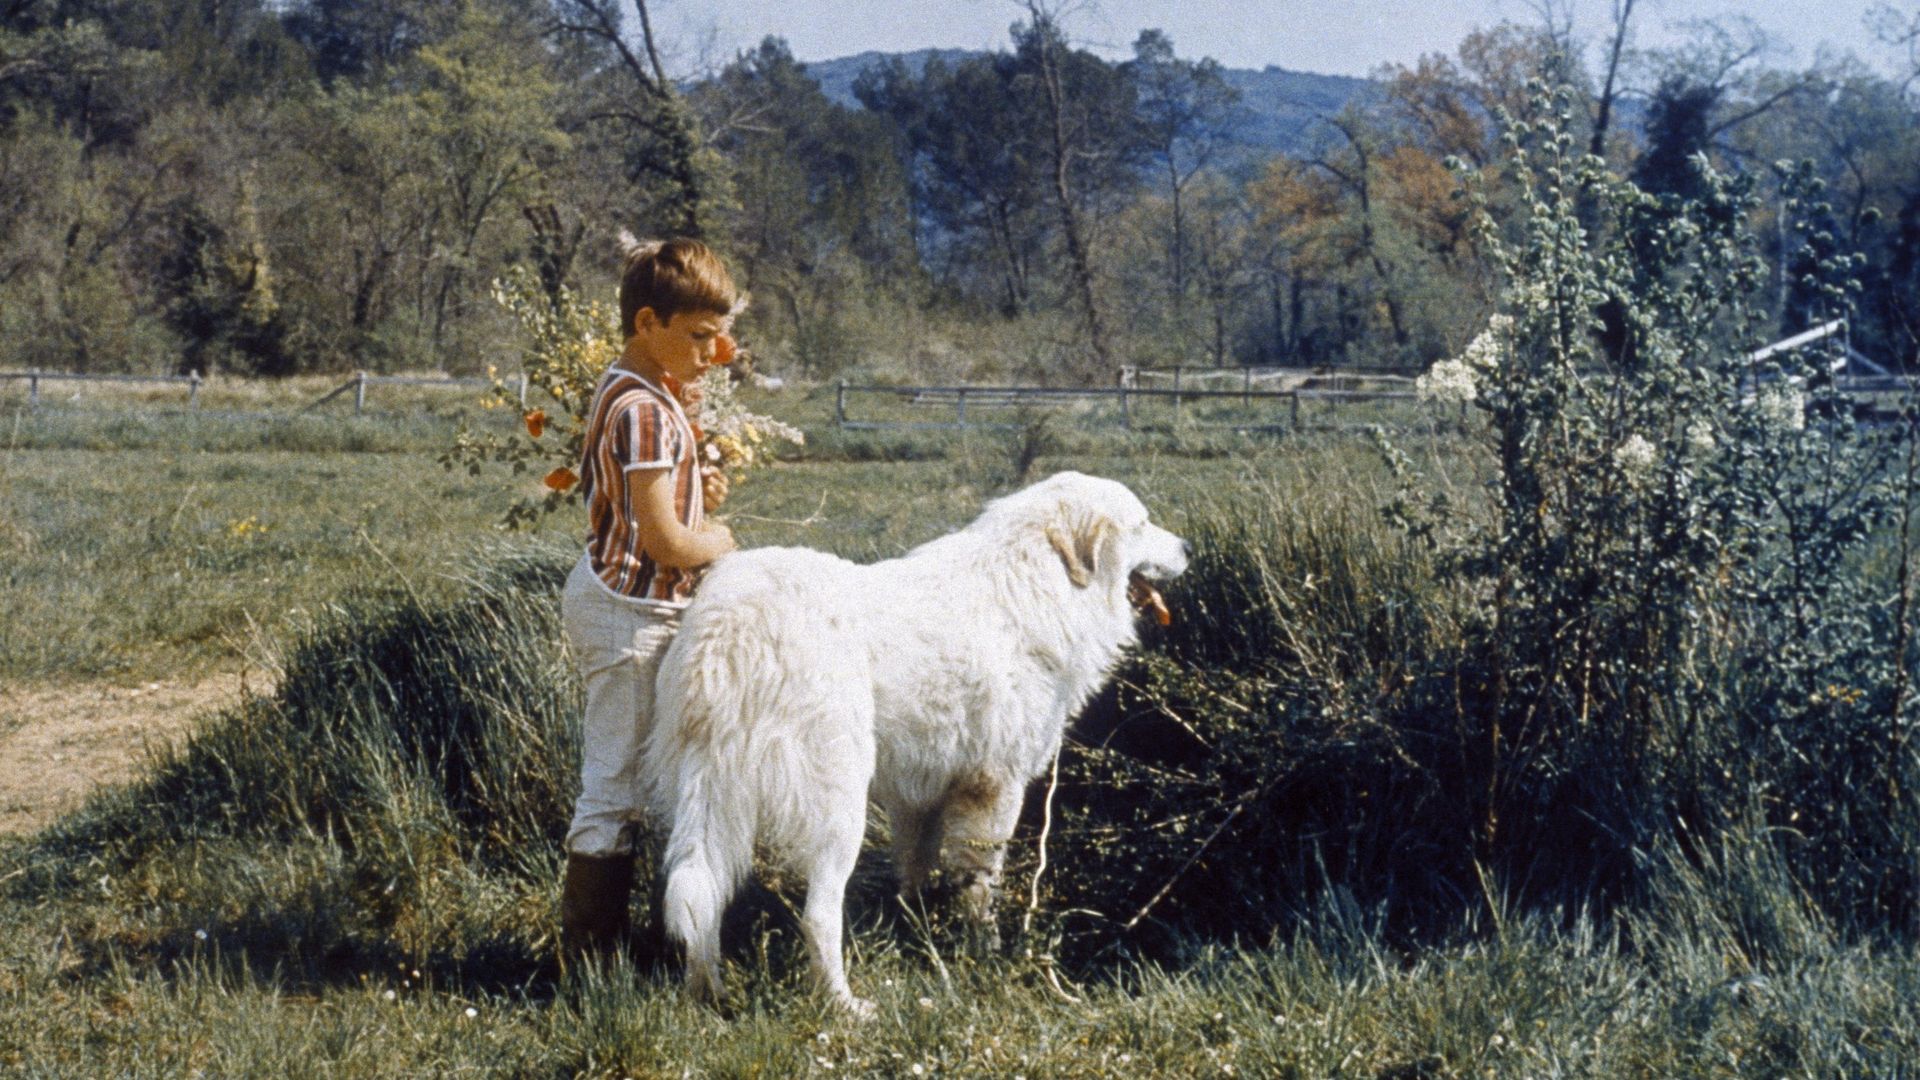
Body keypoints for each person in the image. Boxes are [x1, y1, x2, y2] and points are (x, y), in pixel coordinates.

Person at [558, 236, 740, 960]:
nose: (713, 352)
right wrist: (719, 540)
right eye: (698, 336)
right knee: (615, 784)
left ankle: (631, 943)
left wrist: (699, 494)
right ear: (646, 323)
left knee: (637, 776)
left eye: (717, 335)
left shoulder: (631, 387)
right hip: (630, 612)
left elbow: (649, 504)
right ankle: (590, 963)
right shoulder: (647, 410)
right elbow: (664, 542)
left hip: (629, 599)